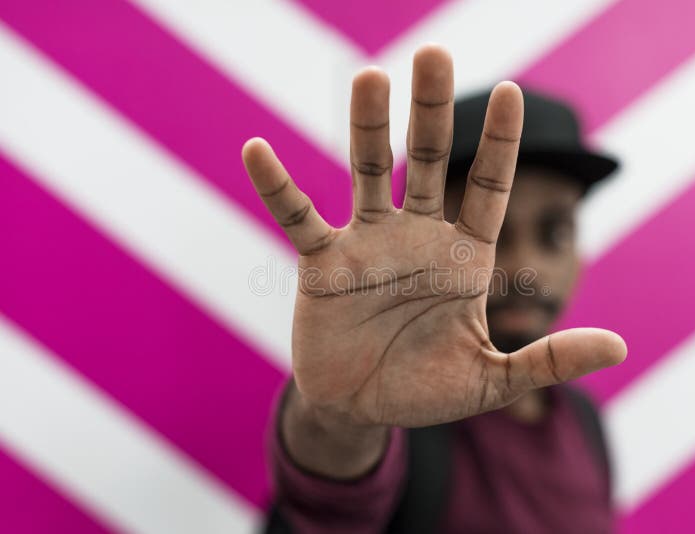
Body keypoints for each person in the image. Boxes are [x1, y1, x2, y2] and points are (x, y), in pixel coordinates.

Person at [242, 44, 627, 533]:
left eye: (554, 233)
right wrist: (341, 421)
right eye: (487, 238)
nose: (526, 266)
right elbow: (328, 506)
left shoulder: (584, 422)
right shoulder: (402, 413)